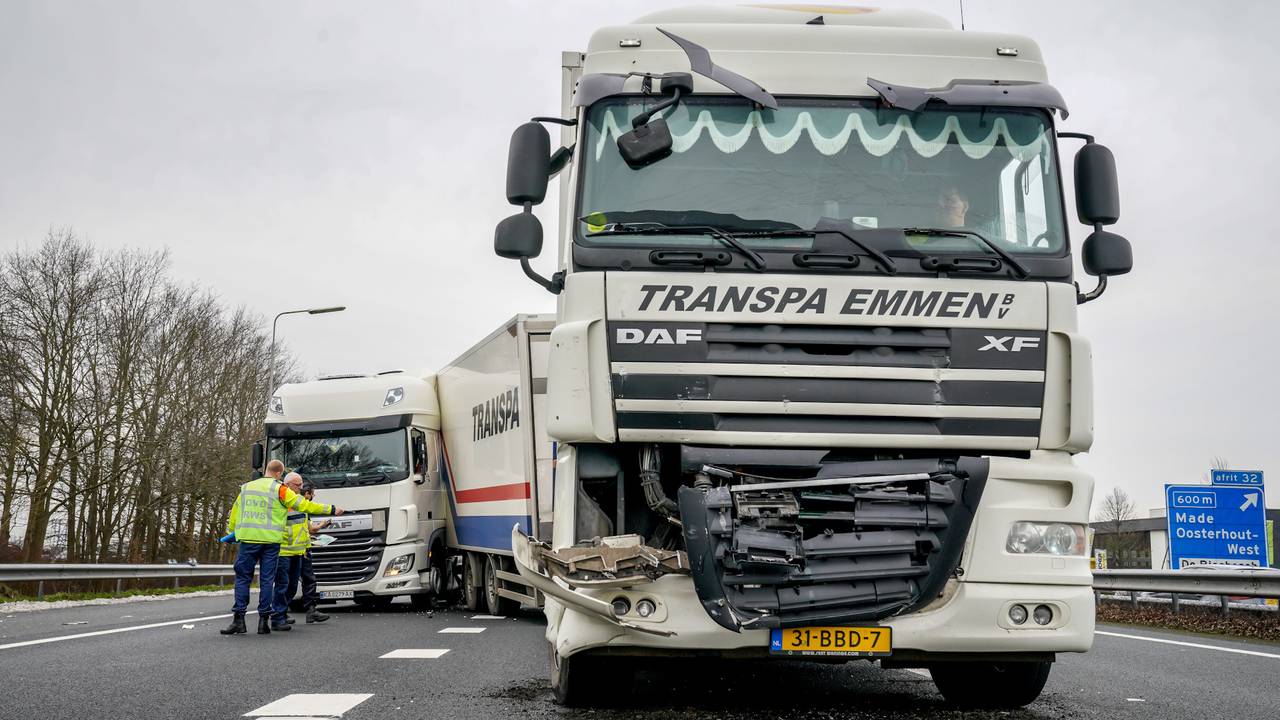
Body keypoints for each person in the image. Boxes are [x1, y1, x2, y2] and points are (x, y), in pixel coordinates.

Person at [220, 459, 342, 636]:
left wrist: (233, 532)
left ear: (267, 470)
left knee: (243, 579)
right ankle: (263, 623)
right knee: (267, 581)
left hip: (248, 541)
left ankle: (239, 620)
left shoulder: (246, 488)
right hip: (271, 543)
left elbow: (235, 513)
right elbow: (304, 505)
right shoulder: (280, 489)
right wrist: (331, 509)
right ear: (279, 474)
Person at [272, 474, 333, 626]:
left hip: (301, 550)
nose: (300, 488)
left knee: (298, 583)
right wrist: (331, 509)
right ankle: (278, 615)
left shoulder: (301, 505)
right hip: (285, 550)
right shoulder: (284, 502)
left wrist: (318, 528)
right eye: (298, 485)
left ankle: (288, 612)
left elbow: (306, 527)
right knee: (285, 584)